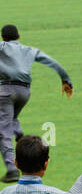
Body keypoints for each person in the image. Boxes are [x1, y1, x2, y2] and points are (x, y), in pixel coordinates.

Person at [0, 24, 74, 182]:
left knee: (3, 129)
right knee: (12, 119)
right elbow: (53, 63)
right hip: (24, 92)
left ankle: (12, 169)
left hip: (5, 91)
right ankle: (20, 138)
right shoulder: (29, 50)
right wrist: (65, 80)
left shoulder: (1, 46)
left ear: (3, 38)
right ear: (18, 37)